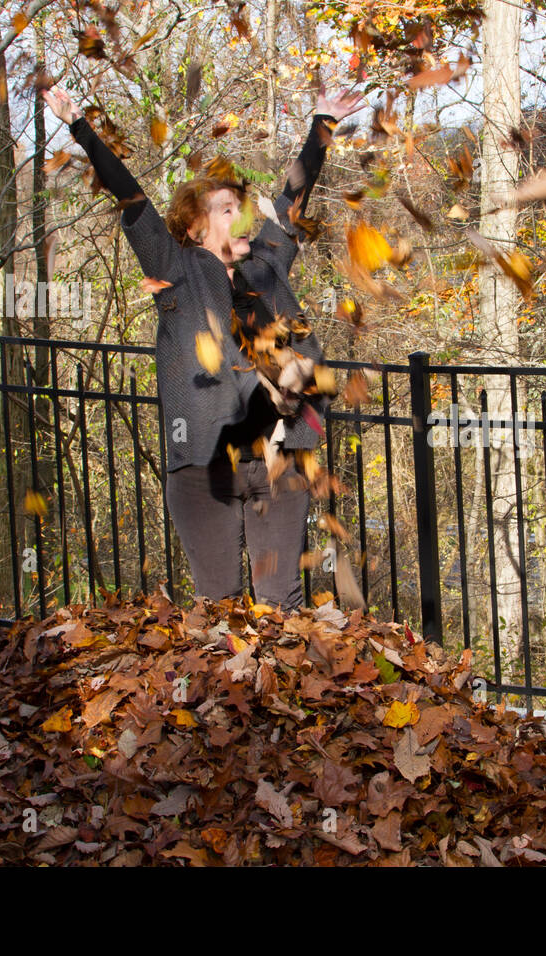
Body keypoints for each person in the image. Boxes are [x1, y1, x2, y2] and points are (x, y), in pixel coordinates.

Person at [43, 84, 365, 609]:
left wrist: (322, 124)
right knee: (217, 605)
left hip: (279, 461)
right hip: (201, 464)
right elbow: (130, 197)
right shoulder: (173, 268)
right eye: (223, 210)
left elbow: (291, 199)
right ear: (193, 228)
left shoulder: (264, 263)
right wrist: (80, 127)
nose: (240, 218)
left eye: (241, 209)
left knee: (279, 600)